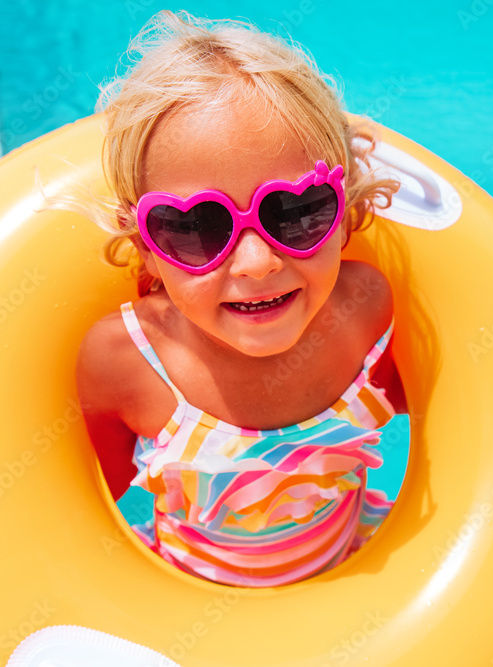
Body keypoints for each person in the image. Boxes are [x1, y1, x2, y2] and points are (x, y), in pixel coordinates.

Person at [74, 10, 407, 587]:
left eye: (297, 212)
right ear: (146, 248)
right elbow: (79, 510)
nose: (257, 264)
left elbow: (466, 438)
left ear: (348, 207)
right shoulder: (126, 359)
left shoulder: (367, 312)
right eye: (198, 227)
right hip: (195, 608)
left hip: (355, 581)